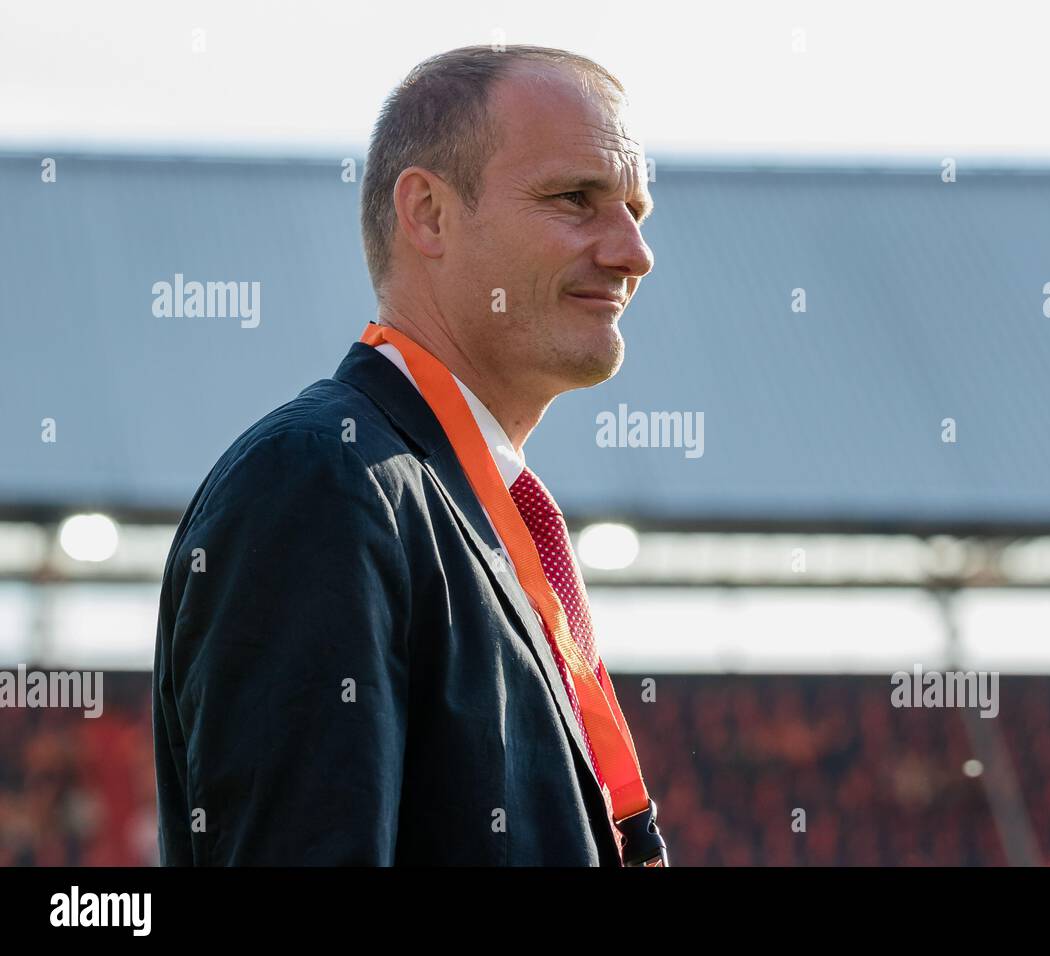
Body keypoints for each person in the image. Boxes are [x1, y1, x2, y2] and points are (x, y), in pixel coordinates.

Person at [153, 45, 667, 866]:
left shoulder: (449, 500)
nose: (634, 252)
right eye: (577, 198)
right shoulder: (324, 481)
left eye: (636, 210)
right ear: (427, 213)